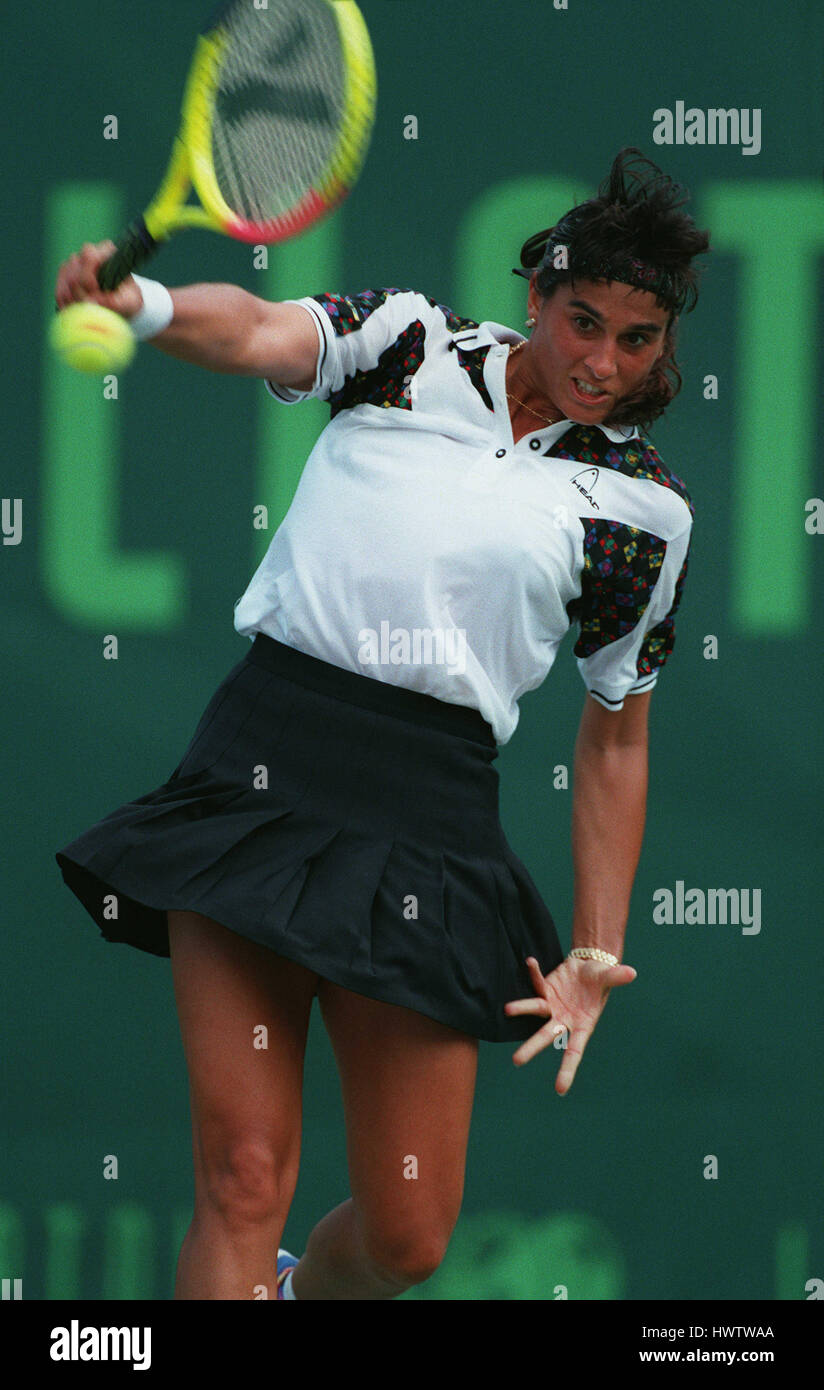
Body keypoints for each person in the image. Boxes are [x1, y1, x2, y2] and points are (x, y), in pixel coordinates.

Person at [54, 147, 710, 1301]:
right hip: (265, 769)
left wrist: (594, 949)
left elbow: (614, 734)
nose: (600, 360)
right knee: (244, 1176)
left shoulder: (643, 513)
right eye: (580, 320)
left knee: (408, 1238)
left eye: (635, 338)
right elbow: (258, 329)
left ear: (663, 346)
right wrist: (146, 305)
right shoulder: (409, 339)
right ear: (534, 297)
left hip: (430, 823)